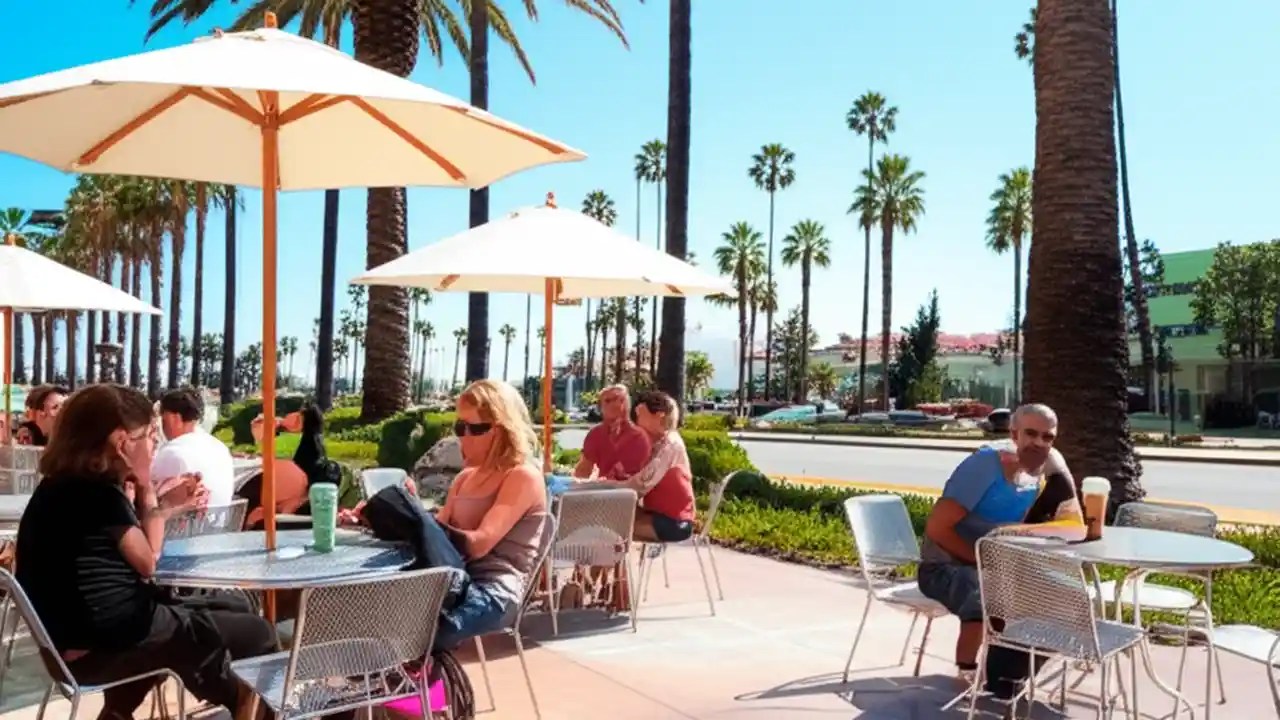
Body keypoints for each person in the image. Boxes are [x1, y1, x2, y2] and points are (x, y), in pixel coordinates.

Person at [15, 384, 277, 720]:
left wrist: (156, 503)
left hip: (65, 648)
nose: (156, 445)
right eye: (150, 435)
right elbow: (148, 562)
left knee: (222, 610)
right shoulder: (101, 497)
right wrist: (151, 497)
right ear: (122, 444)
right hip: (103, 649)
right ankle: (252, 707)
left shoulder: (55, 490)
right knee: (258, 633)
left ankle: (117, 713)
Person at [345, 379, 548, 650]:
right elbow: (435, 541)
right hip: (449, 583)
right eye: (458, 427)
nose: (461, 437)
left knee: (407, 638)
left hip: (493, 593)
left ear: (499, 432)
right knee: (363, 617)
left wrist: (415, 517)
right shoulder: (464, 479)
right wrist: (376, 521)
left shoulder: (522, 477)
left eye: (471, 428)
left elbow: (478, 545)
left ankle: (424, 688)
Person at [917, 403, 1082, 697]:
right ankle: (967, 670)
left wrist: (1017, 537)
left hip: (995, 561)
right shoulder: (984, 466)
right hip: (944, 566)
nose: (1039, 443)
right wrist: (985, 563)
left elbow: (1075, 522)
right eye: (1031, 434)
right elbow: (937, 529)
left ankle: (1009, 675)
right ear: (1014, 433)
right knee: (988, 590)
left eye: (1048, 437)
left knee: (1064, 592)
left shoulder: (1047, 464)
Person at [617, 391, 696, 543]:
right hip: (656, 515)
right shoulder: (655, 444)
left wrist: (604, 486)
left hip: (675, 523)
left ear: (658, 416)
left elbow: (640, 485)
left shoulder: (670, 446)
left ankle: (602, 566)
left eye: (641, 414)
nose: (635, 420)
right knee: (611, 519)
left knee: (612, 527)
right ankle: (611, 567)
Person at [151, 388, 236, 508]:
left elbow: (149, 494)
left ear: (174, 418)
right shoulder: (220, 448)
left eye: (163, 420)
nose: (161, 426)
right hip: (220, 525)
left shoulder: (171, 452)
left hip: (181, 524)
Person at [573, 385, 651, 482]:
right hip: (602, 491)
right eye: (608, 401)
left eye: (620, 399)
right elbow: (583, 471)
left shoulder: (639, 437)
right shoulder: (595, 434)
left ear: (628, 405)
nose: (615, 404)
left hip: (630, 491)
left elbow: (630, 477)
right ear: (600, 408)